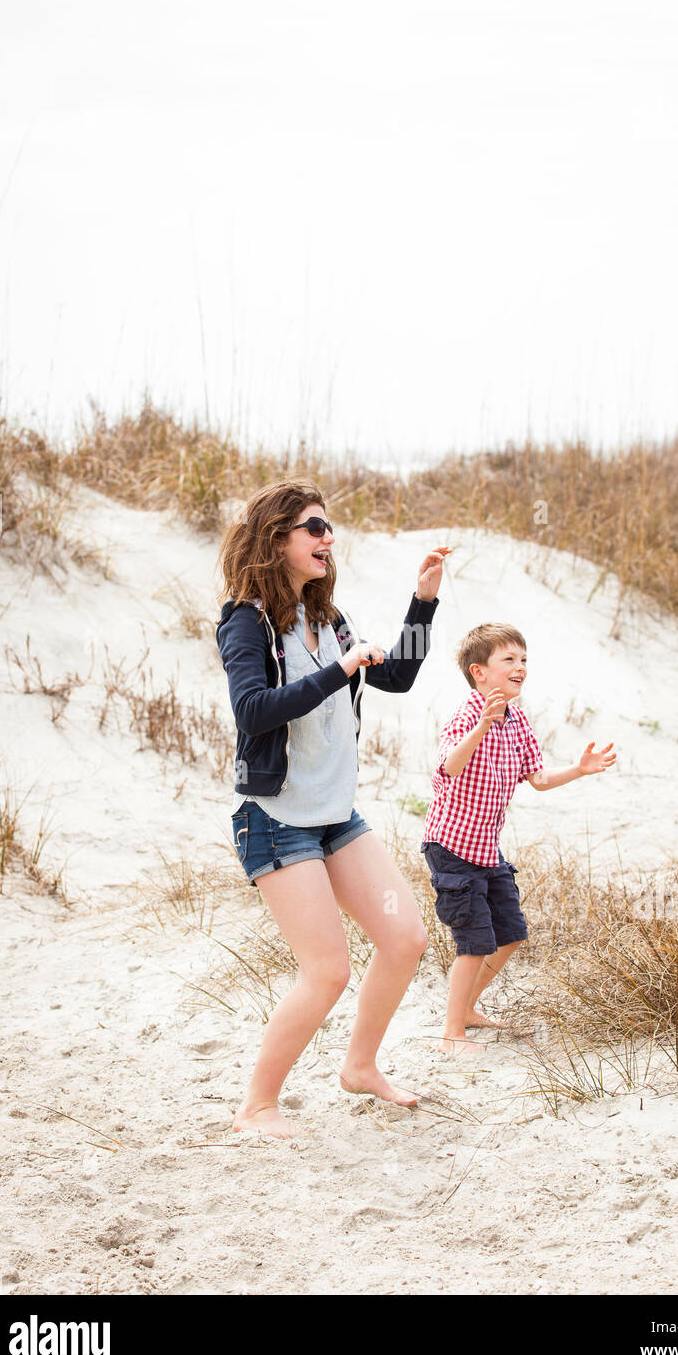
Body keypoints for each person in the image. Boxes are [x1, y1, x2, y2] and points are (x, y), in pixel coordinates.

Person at [215, 478, 450, 1138]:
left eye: (329, 528)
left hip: (334, 817)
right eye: (313, 527)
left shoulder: (328, 616)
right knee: (327, 971)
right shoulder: (247, 619)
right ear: (277, 537)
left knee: (404, 940)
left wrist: (422, 604)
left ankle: (360, 1065)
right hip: (275, 819)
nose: (328, 538)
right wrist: (338, 671)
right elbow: (251, 708)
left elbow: (395, 674)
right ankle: (257, 1105)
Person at [421, 623, 617, 1055]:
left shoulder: (518, 718)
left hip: (486, 850)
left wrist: (579, 769)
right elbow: (450, 766)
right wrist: (482, 725)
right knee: (474, 941)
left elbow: (540, 778)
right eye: (508, 659)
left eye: (524, 659)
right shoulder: (468, 713)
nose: (520, 667)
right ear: (480, 672)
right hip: (451, 846)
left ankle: (469, 1008)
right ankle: (452, 1032)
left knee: (510, 933)